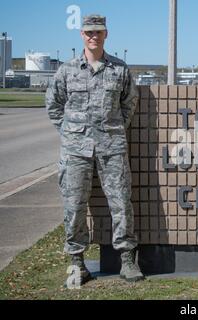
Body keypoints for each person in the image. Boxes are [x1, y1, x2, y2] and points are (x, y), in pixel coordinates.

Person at [46, 15, 144, 285]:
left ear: (105, 35)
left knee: (121, 202)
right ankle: (77, 263)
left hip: (111, 148)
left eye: (98, 32)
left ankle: (126, 260)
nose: (93, 36)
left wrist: (111, 130)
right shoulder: (67, 71)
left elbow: (129, 105)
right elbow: (53, 106)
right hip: (75, 151)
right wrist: (71, 133)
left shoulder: (120, 70)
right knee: (74, 206)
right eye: (89, 32)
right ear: (81, 35)